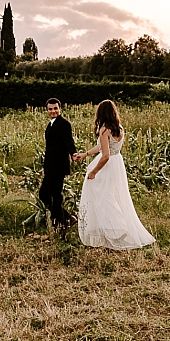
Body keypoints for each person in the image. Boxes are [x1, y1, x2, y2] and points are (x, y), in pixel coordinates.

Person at [76, 99, 156, 251]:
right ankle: (109, 234)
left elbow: (105, 155)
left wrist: (93, 171)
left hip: (107, 164)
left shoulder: (104, 130)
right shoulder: (119, 128)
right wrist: (85, 154)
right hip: (117, 163)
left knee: (103, 197)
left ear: (101, 114)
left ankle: (118, 228)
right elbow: (102, 147)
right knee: (112, 195)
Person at [38, 98, 77, 228]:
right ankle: (67, 218)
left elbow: (68, 141)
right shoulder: (51, 124)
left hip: (58, 166)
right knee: (44, 194)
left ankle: (60, 224)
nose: (53, 111)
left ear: (60, 109)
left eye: (55, 108)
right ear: (47, 110)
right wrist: (45, 167)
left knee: (56, 196)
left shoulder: (64, 124)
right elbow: (49, 149)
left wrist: (73, 153)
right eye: (50, 109)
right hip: (50, 166)